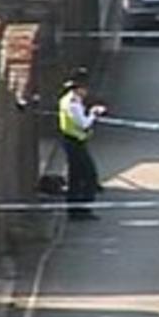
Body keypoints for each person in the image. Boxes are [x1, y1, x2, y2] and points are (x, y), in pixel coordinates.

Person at [58, 67, 106, 220]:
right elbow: (83, 123)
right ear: (78, 88)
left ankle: (76, 210)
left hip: (74, 141)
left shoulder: (73, 100)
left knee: (76, 176)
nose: (86, 90)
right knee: (89, 175)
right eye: (84, 87)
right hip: (74, 143)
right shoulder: (72, 103)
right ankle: (82, 210)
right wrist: (93, 114)